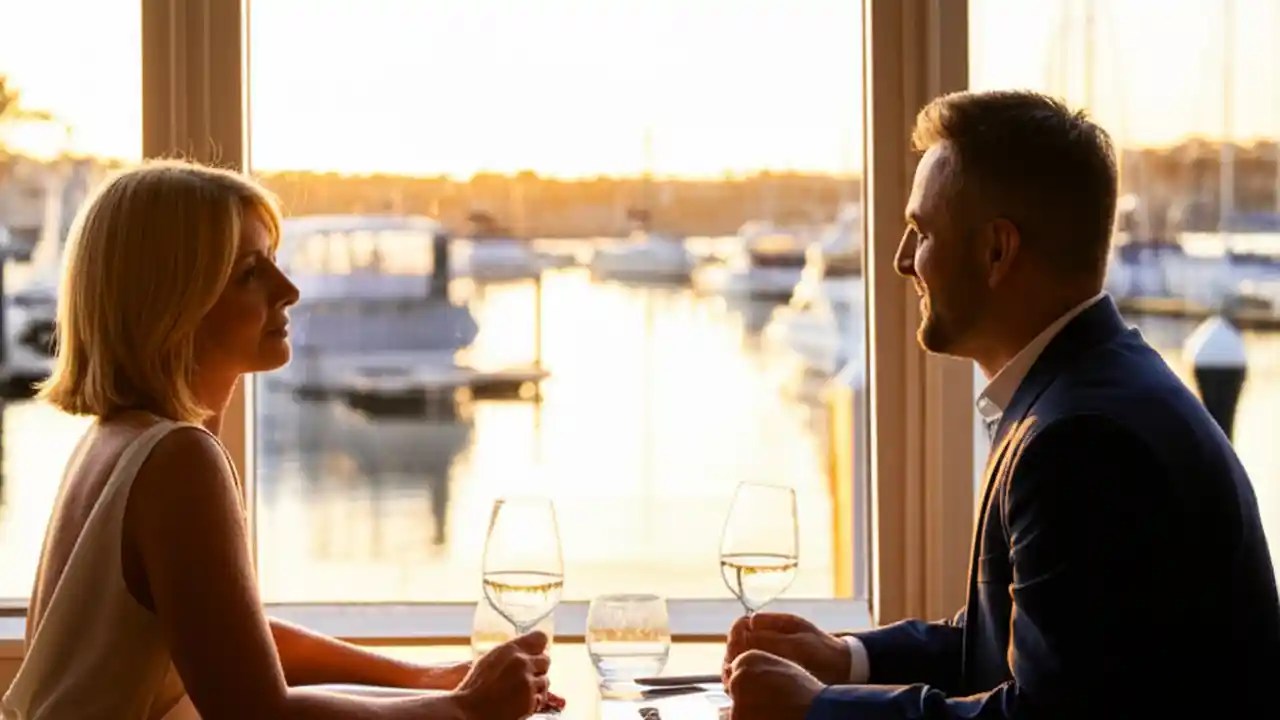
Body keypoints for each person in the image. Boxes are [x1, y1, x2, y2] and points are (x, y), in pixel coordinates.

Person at [724, 90, 1280, 719]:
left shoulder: (1080, 440)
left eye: (920, 231)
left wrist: (819, 709)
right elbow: (1024, 645)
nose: (904, 261)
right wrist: (848, 657)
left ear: (996, 250)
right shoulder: (1094, 388)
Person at [1, 160, 552, 720]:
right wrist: (463, 709)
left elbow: (230, 639)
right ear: (171, 299)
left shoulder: (116, 440)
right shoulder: (177, 461)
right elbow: (259, 714)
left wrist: (423, 678)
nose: (288, 290)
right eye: (249, 273)